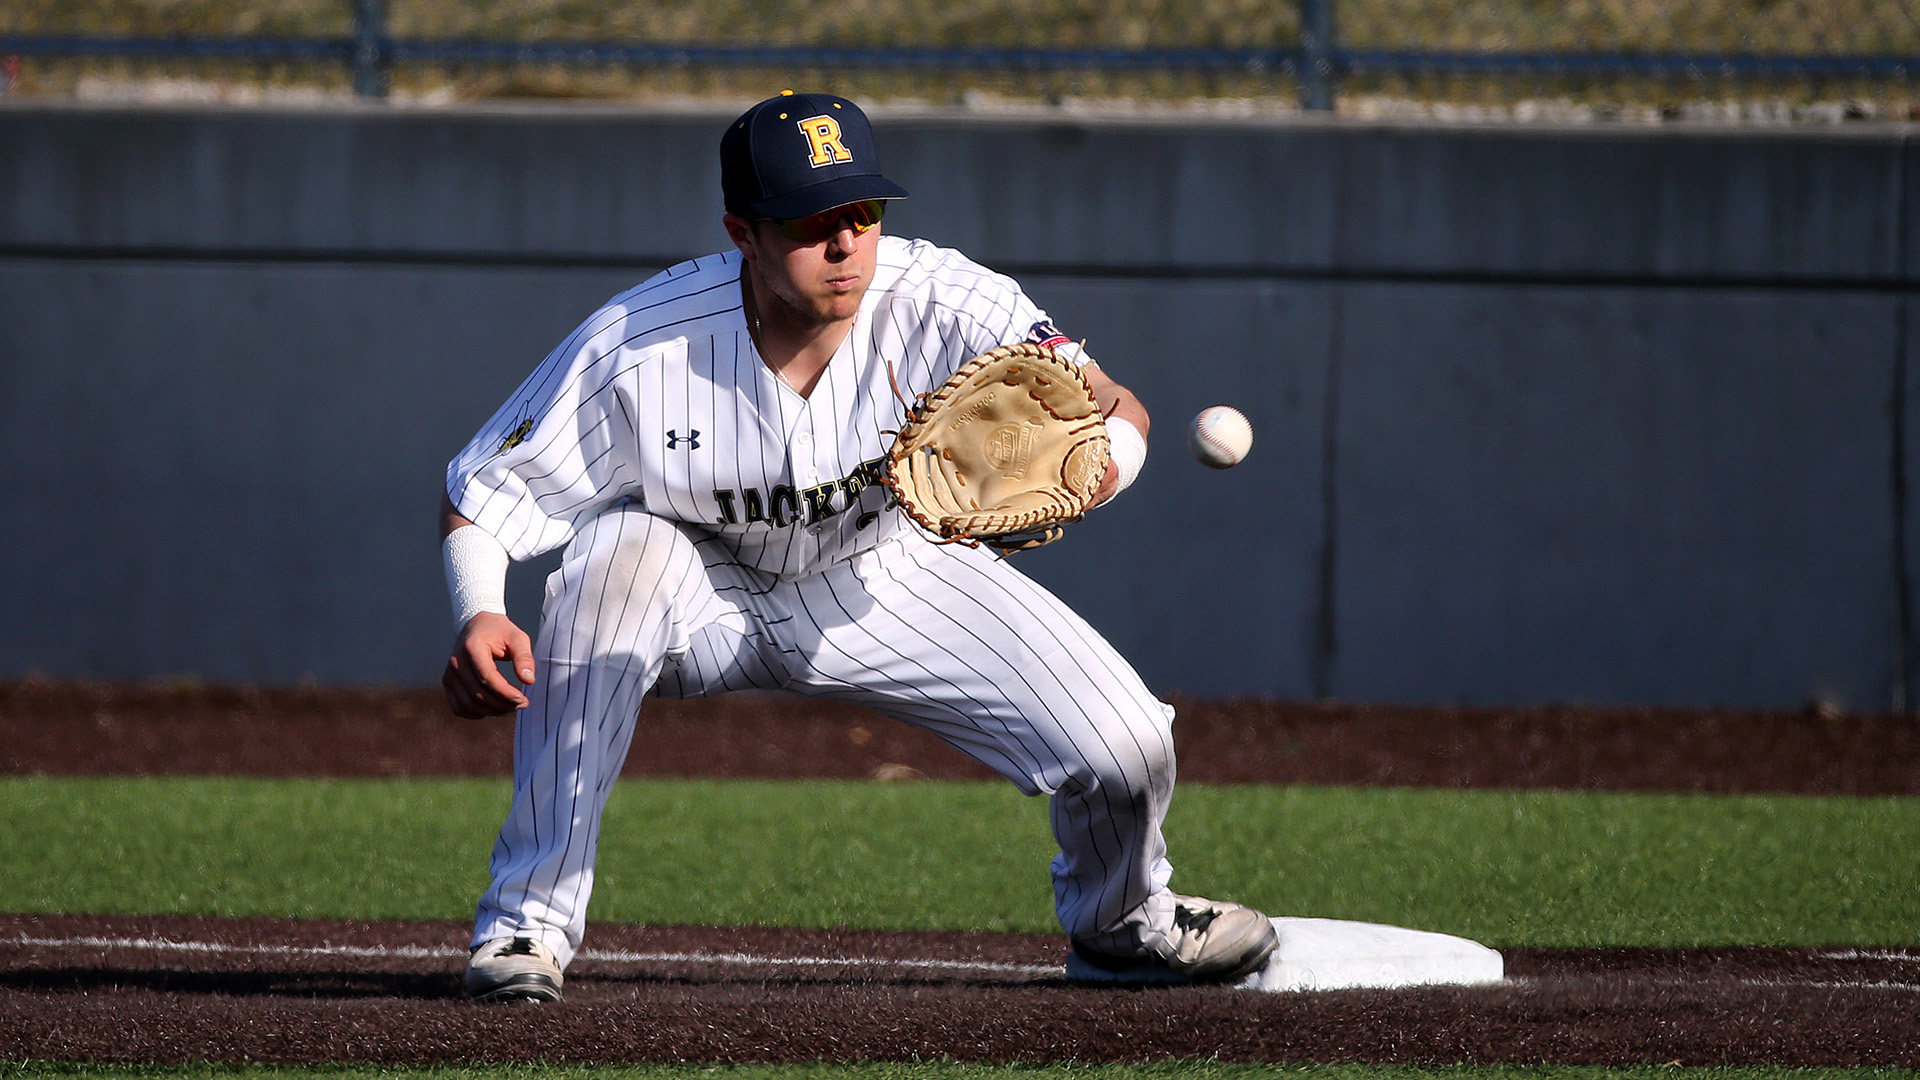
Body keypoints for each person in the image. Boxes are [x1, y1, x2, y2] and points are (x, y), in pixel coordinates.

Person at [439, 90, 1278, 1003]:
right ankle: (525, 924)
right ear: (743, 233)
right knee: (608, 567)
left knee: (1129, 741)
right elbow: (484, 491)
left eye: (863, 212)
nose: (845, 243)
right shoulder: (640, 340)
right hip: (697, 583)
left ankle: (1120, 923)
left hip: (886, 571)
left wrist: (1101, 465)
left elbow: (1113, 404)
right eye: (810, 222)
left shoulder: (948, 298)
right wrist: (479, 609)